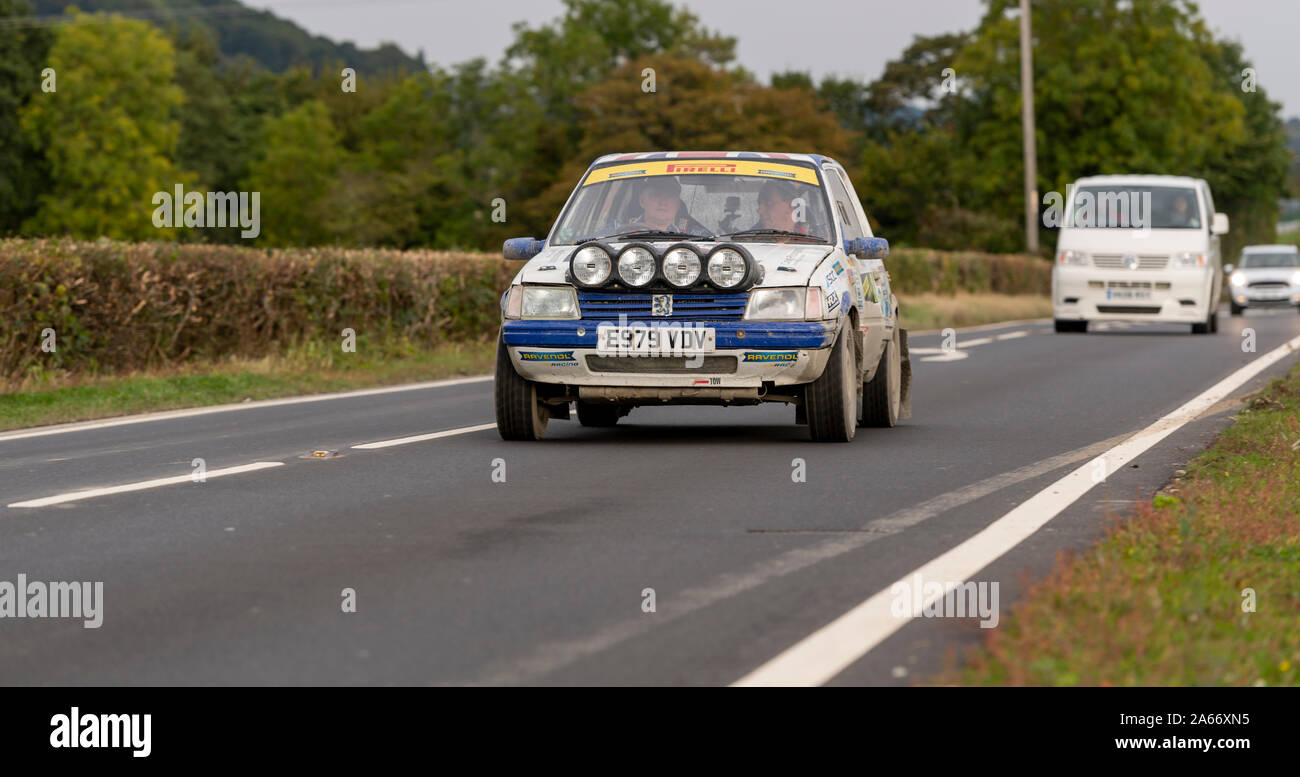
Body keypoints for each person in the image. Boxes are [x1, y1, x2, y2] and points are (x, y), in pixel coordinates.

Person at [621, 176, 710, 234]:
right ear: (642, 201)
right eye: (657, 195)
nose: (663, 202)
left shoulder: (696, 235)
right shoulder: (618, 230)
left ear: (678, 205)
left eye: (670, 196)